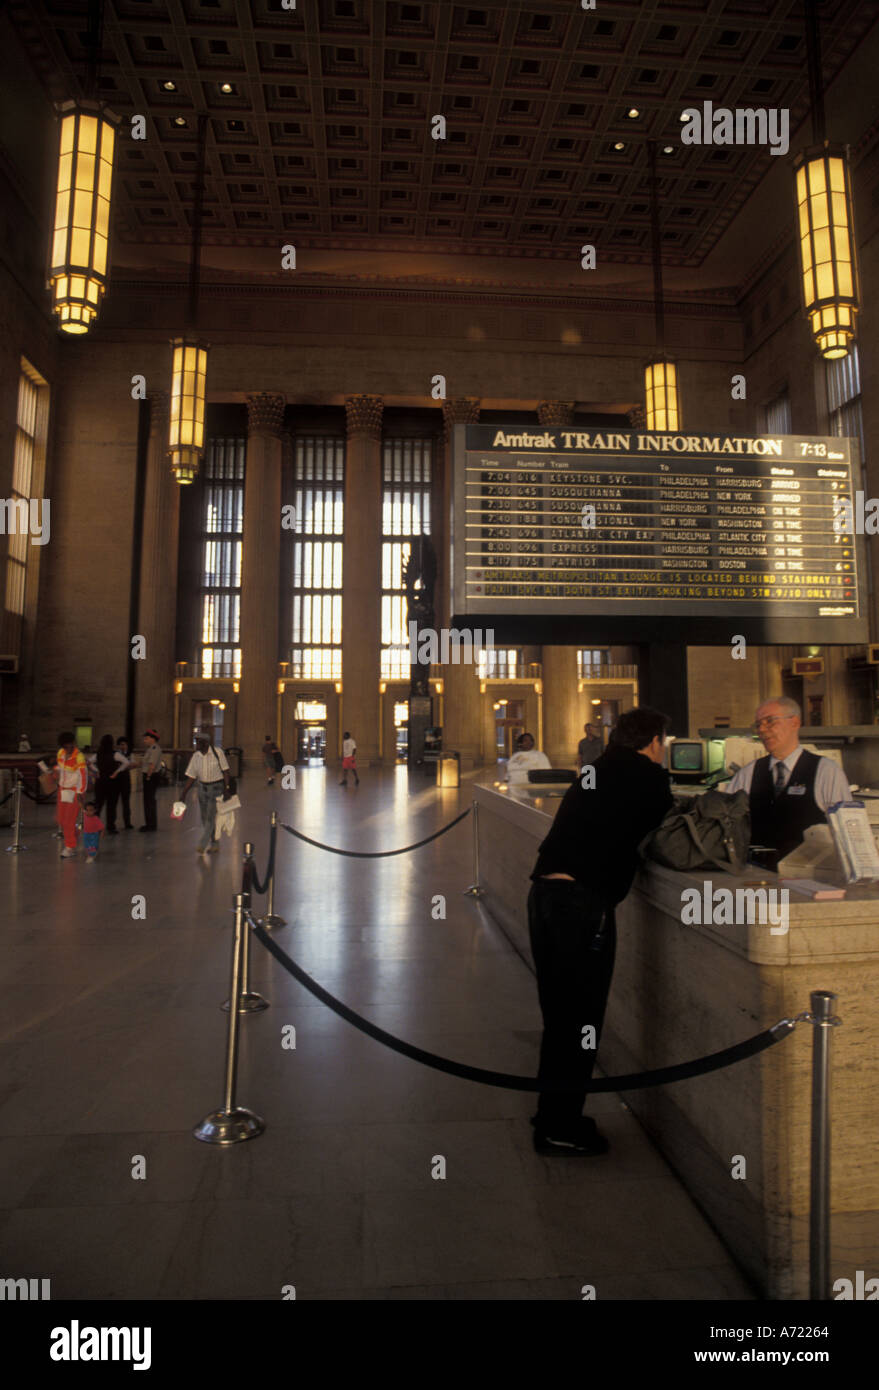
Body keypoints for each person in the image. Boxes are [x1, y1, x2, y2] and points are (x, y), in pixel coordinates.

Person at [527, 706, 673, 1156]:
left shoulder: (594, 769)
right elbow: (668, 837)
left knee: (558, 1016)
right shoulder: (649, 778)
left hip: (543, 898)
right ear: (653, 742)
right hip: (582, 908)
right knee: (582, 1019)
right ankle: (560, 1128)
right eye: (662, 743)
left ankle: (552, 1110)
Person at [723, 696, 851, 869]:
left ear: (795, 723)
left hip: (808, 875)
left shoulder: (826, 771)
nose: (762, 729)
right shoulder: (748, 773)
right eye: (758, 724)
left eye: (770, 721)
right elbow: (725, 823)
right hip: (756, 874)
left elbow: (847, 831)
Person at [180, 735, 232, 853]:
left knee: (210, 816)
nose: (196, 744)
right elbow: (191, 776)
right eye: (196, 742)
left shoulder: (217, 753)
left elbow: (226, 771)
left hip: (216, 788)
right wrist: (184, 794)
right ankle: (215, 843)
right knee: (204, 818)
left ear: (206, 743)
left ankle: (202, 843)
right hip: (202, 788)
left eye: (198, 742)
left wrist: (227, 788)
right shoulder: (196, 756)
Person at [50, 732, 88, 859]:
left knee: (68, 820)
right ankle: (73, 834)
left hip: (74, 790)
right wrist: (55, 771)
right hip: (62, 789)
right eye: (66, 746)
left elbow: (83, 776)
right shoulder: (60, 753)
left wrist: (80, 792)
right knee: (60, 819)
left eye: (71, 745)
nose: (70, 748)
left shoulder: (79, 756)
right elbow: (60, 767)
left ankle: (70, 847)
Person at [93, 735, 119, 834]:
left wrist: (97, 770)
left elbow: (88, 762)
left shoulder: (98, 754)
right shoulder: (115, 754)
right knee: (111, 806)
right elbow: (126, 762)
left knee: (98, 804)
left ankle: (95, 826)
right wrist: (117, 771)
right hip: (112, 782)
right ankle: (111, 826)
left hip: (100, 781)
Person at [139, 729, 162, 833]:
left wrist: (148, 777)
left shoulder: (155, 749)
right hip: (149, 776)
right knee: (148, 801)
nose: (145, 740)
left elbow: (152, 765)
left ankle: (151, 825)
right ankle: (149, 823)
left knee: (149, 801)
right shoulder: (150, 749)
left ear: (153, 739)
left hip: (151, 777)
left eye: (146, 738)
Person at [113, 737, 134, 830]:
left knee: (126, 802)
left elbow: (132, 765)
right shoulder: (115, 754)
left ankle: (127, 822)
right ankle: (112, 822)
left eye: (124, 744)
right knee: (114, 802)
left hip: (125, 779)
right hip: (116, 780)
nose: (122, 746)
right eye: (120, 744)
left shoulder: (130, 754)